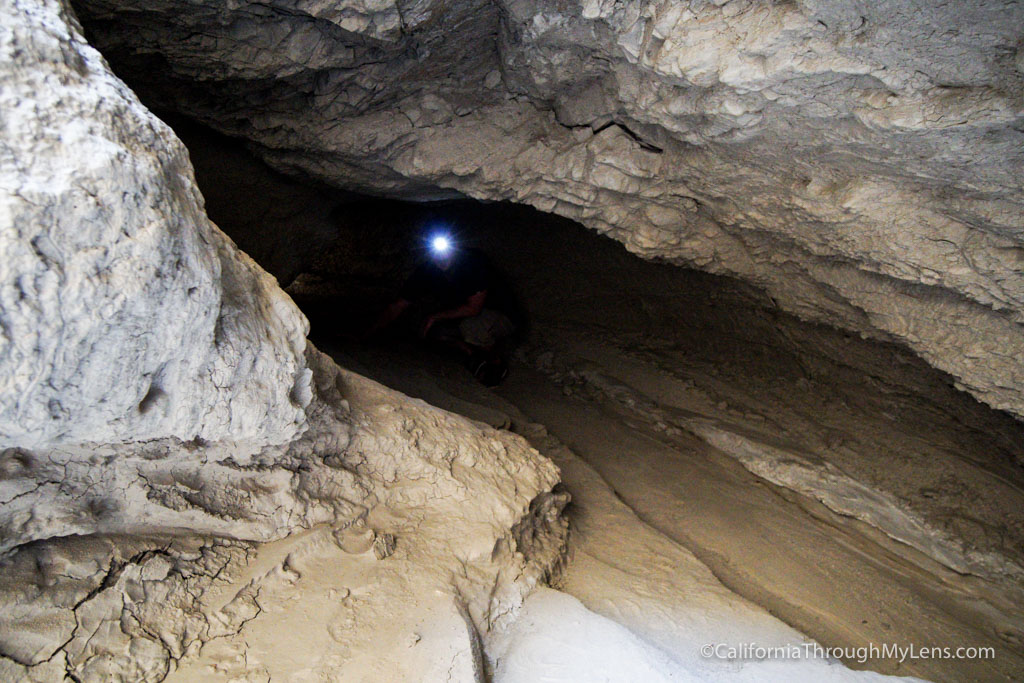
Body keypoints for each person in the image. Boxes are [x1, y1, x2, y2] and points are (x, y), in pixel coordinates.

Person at [365, 235, 516, 385]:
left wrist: (435, 317)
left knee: (471, 328)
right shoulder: (426, 271)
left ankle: (494, 362)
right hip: (464, 317)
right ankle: (472, 355)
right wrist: (371, 330)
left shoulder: (472, 262)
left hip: (501, 316)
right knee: (428, 329)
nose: (440, 256)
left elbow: (474, 308)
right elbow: (398, 306)